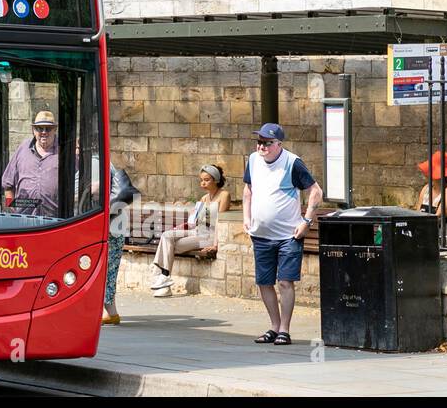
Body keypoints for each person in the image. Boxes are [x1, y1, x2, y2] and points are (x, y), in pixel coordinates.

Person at [243, 123, 322, 346]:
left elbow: (316, 191)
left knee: (285, 282)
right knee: (264, 282)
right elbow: (248, 190)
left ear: (279, 144)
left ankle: (285, 330)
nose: (262, 147)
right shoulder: (253, 160)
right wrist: (246, 217)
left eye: (267, 143)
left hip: (289, 235)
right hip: (261, 234)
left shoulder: (292, 162)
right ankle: (274, 326)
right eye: (259, 142)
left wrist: (306, 221)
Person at [150, 164, 231, 294]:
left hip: (208, 236)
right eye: (201, 180)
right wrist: (182, 226)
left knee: (170, 246)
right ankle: (164, 278)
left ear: (216, 179)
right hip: (197, 231)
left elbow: (219, 222)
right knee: (167, 235)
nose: (203, 183)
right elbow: (193, 221)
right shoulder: (204, 198)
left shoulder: (224, 195)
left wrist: (215, 245)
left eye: (206, 180)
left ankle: (161, 277)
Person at [2, 110, 60, 217]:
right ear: (33, 129)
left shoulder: (64, 151)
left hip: (55, 221)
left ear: (55, 129)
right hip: (23, 220)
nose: (44, 132)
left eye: (48, 128)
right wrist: (11, 208)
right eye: (39, 128)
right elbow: (8, 186)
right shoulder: (23, 149)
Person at [103, 162, 139, 324]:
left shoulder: (95, 162)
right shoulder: (103, 162)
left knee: (108, 269)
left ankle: (110, 312)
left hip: (110, 225)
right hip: (114, 225)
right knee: (109, 269)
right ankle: (111, 311)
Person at [415, 150, 447, 237]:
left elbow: (437, 217)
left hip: (443, 238)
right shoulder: (426, 188)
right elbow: (417, 213)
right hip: (424, 233)